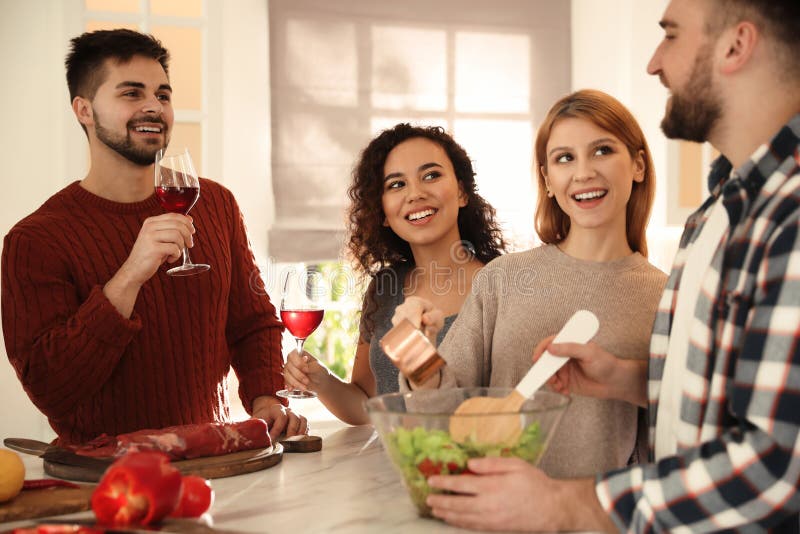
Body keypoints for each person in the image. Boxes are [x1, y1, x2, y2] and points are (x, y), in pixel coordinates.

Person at [422, 0, 800, 531]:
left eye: (670, 35)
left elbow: (777, 464)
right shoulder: (715, 217)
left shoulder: (771, 222)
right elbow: (709, 408)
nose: (652, 62)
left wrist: (563, 505)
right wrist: (627, 379)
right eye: (563, 158)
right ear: (547, 179)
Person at [1, 29, 306, 446]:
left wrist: (267, 398)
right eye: (131, 93)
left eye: (163, 95)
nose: (153, 107)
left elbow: (251, 322)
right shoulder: (35, 240)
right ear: (84, 110)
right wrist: (127, 279)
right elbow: (50, 388)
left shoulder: (215, 203)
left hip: (214, 458)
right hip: (103, 476)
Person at [394, 89, 668, 478]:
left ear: (638, 165)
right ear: (549, 179)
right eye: (564, 158)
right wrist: (416, 350)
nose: (584, 172)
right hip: (492, 507)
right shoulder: (503, 279)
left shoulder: (666, 297)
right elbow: (439, 408)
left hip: (594, 517)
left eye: (603, 150)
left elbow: (673, 433)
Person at [281, 123, 506, 424]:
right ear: (383, 213)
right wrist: (320, 380)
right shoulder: (385, 288)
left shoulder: (501, 285)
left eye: (431, 175)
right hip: (389, 465)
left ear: (463, 192)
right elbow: (367, 403)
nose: (415, 194)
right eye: (397, 185)